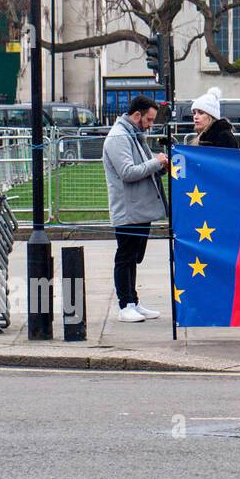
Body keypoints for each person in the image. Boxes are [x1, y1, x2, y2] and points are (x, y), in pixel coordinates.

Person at [103, 96, 169, 323]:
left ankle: (133, 301)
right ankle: (125, 305)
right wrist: (156, 162)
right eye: (149, 120)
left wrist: (161, 166)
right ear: (137, 115)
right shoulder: (119, 137)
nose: (151, 125)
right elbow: (128, 172)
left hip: (140, 209)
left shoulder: (134, 135)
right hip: (128, 211)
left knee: (133, 257)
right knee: (125, 256)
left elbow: (146, 168)